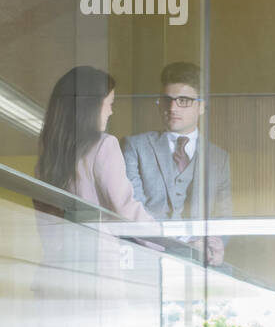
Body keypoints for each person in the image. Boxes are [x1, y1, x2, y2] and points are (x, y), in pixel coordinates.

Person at [122, 62, 232, 266]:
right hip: (147, 256)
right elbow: (133, 207)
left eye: (183, 100)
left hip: (200, 261)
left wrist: (213, 245)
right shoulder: (135, 146)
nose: (172, 108)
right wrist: (183, 244)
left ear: (201, 106)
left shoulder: (219, 158)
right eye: (167, 100)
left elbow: (224, 216)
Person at [35, 65, 154, 225]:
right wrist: (166, 240)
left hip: (61, 248)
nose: (111, 112)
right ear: (92, 105)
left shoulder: (49, 152)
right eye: (110, 103)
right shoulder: (104, 145)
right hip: (99, 248)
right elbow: (126, 208)